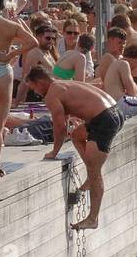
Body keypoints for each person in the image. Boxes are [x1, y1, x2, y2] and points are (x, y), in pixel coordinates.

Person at [29, 67, 123, 231]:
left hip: (104, 120)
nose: (35, 92)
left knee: (95, 173)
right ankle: (90, 177)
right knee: (77, 136)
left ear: (40, 82)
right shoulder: (62, 85)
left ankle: (93, 218)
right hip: (113, 112)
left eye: (34, 87)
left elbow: (59, 126)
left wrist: (54, 152)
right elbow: (64, 123)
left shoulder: (52, 95)